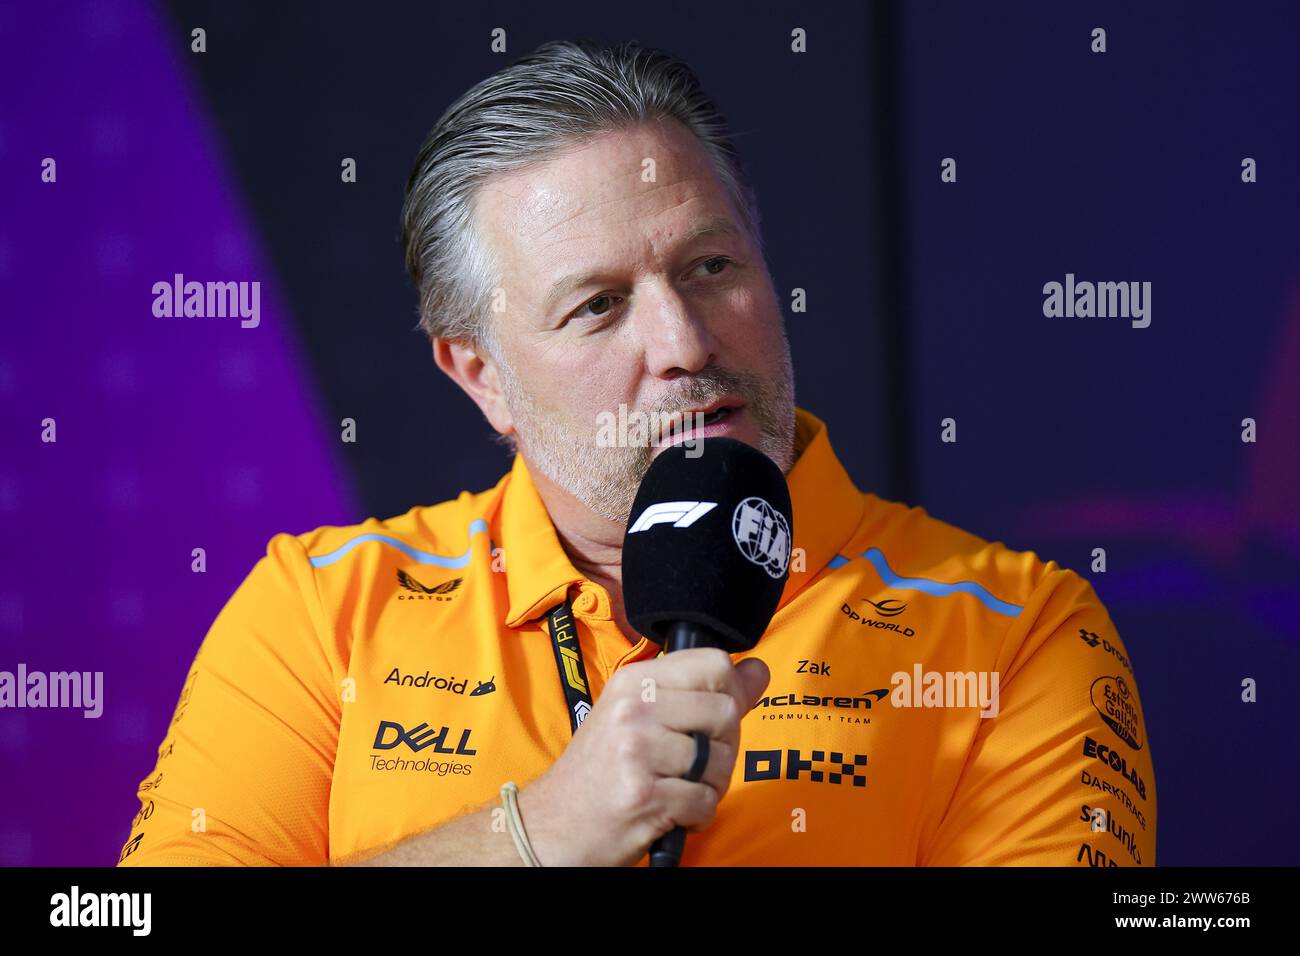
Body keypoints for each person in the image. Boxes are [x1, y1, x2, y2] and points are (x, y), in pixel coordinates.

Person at [118, 39, 1155, 867]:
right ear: (480, 374)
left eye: (710, 267)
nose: (684, 344)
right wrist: (536, 836)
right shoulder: (323, 611)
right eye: (598, 305)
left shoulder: (1014, 633)